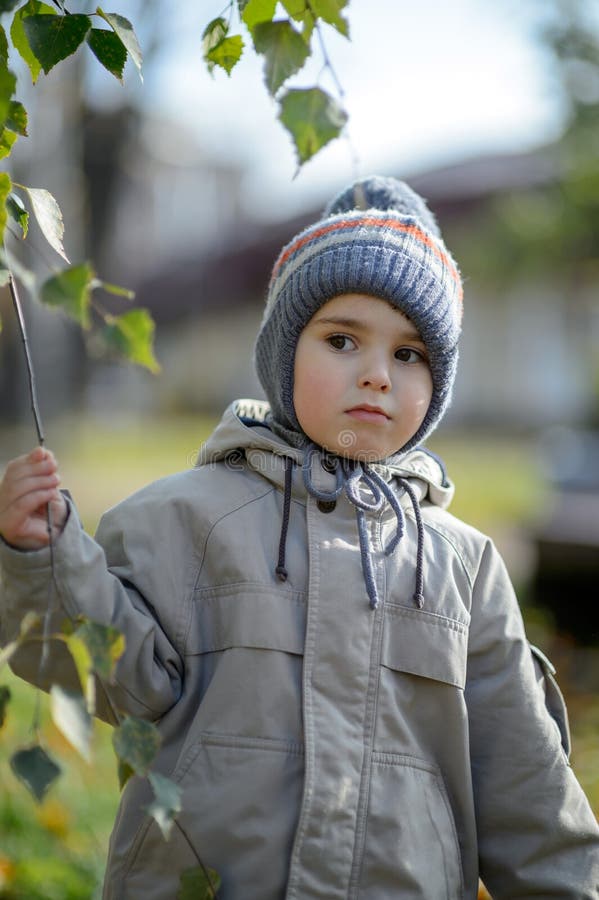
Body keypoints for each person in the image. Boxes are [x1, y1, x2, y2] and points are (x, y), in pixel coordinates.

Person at [1, 176, 598, 900]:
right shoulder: (179, 519)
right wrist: (41, 555)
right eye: (342, 340)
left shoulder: (462, 565)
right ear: (284, 352)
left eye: (410, 354)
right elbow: (106, 675)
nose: (377, 376)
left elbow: (524, 785)